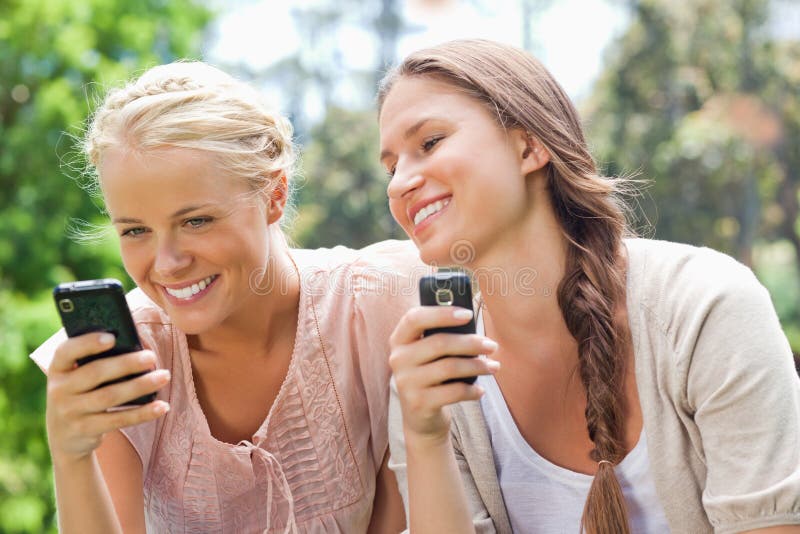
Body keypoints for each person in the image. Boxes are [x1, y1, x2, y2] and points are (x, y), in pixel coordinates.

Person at [377, 39, 800, 534]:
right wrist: (425, 435)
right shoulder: (434, 371)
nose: (398, 183)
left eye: (429, 143)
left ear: (529, 145)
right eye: (390, 166)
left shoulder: (705, 308)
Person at [30, 61, 419, 533]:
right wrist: (71, 456)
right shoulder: (124, 356)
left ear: (274, 194)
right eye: (135, 230)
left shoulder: (375, 305)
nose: (167, 262)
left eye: (196, 221)